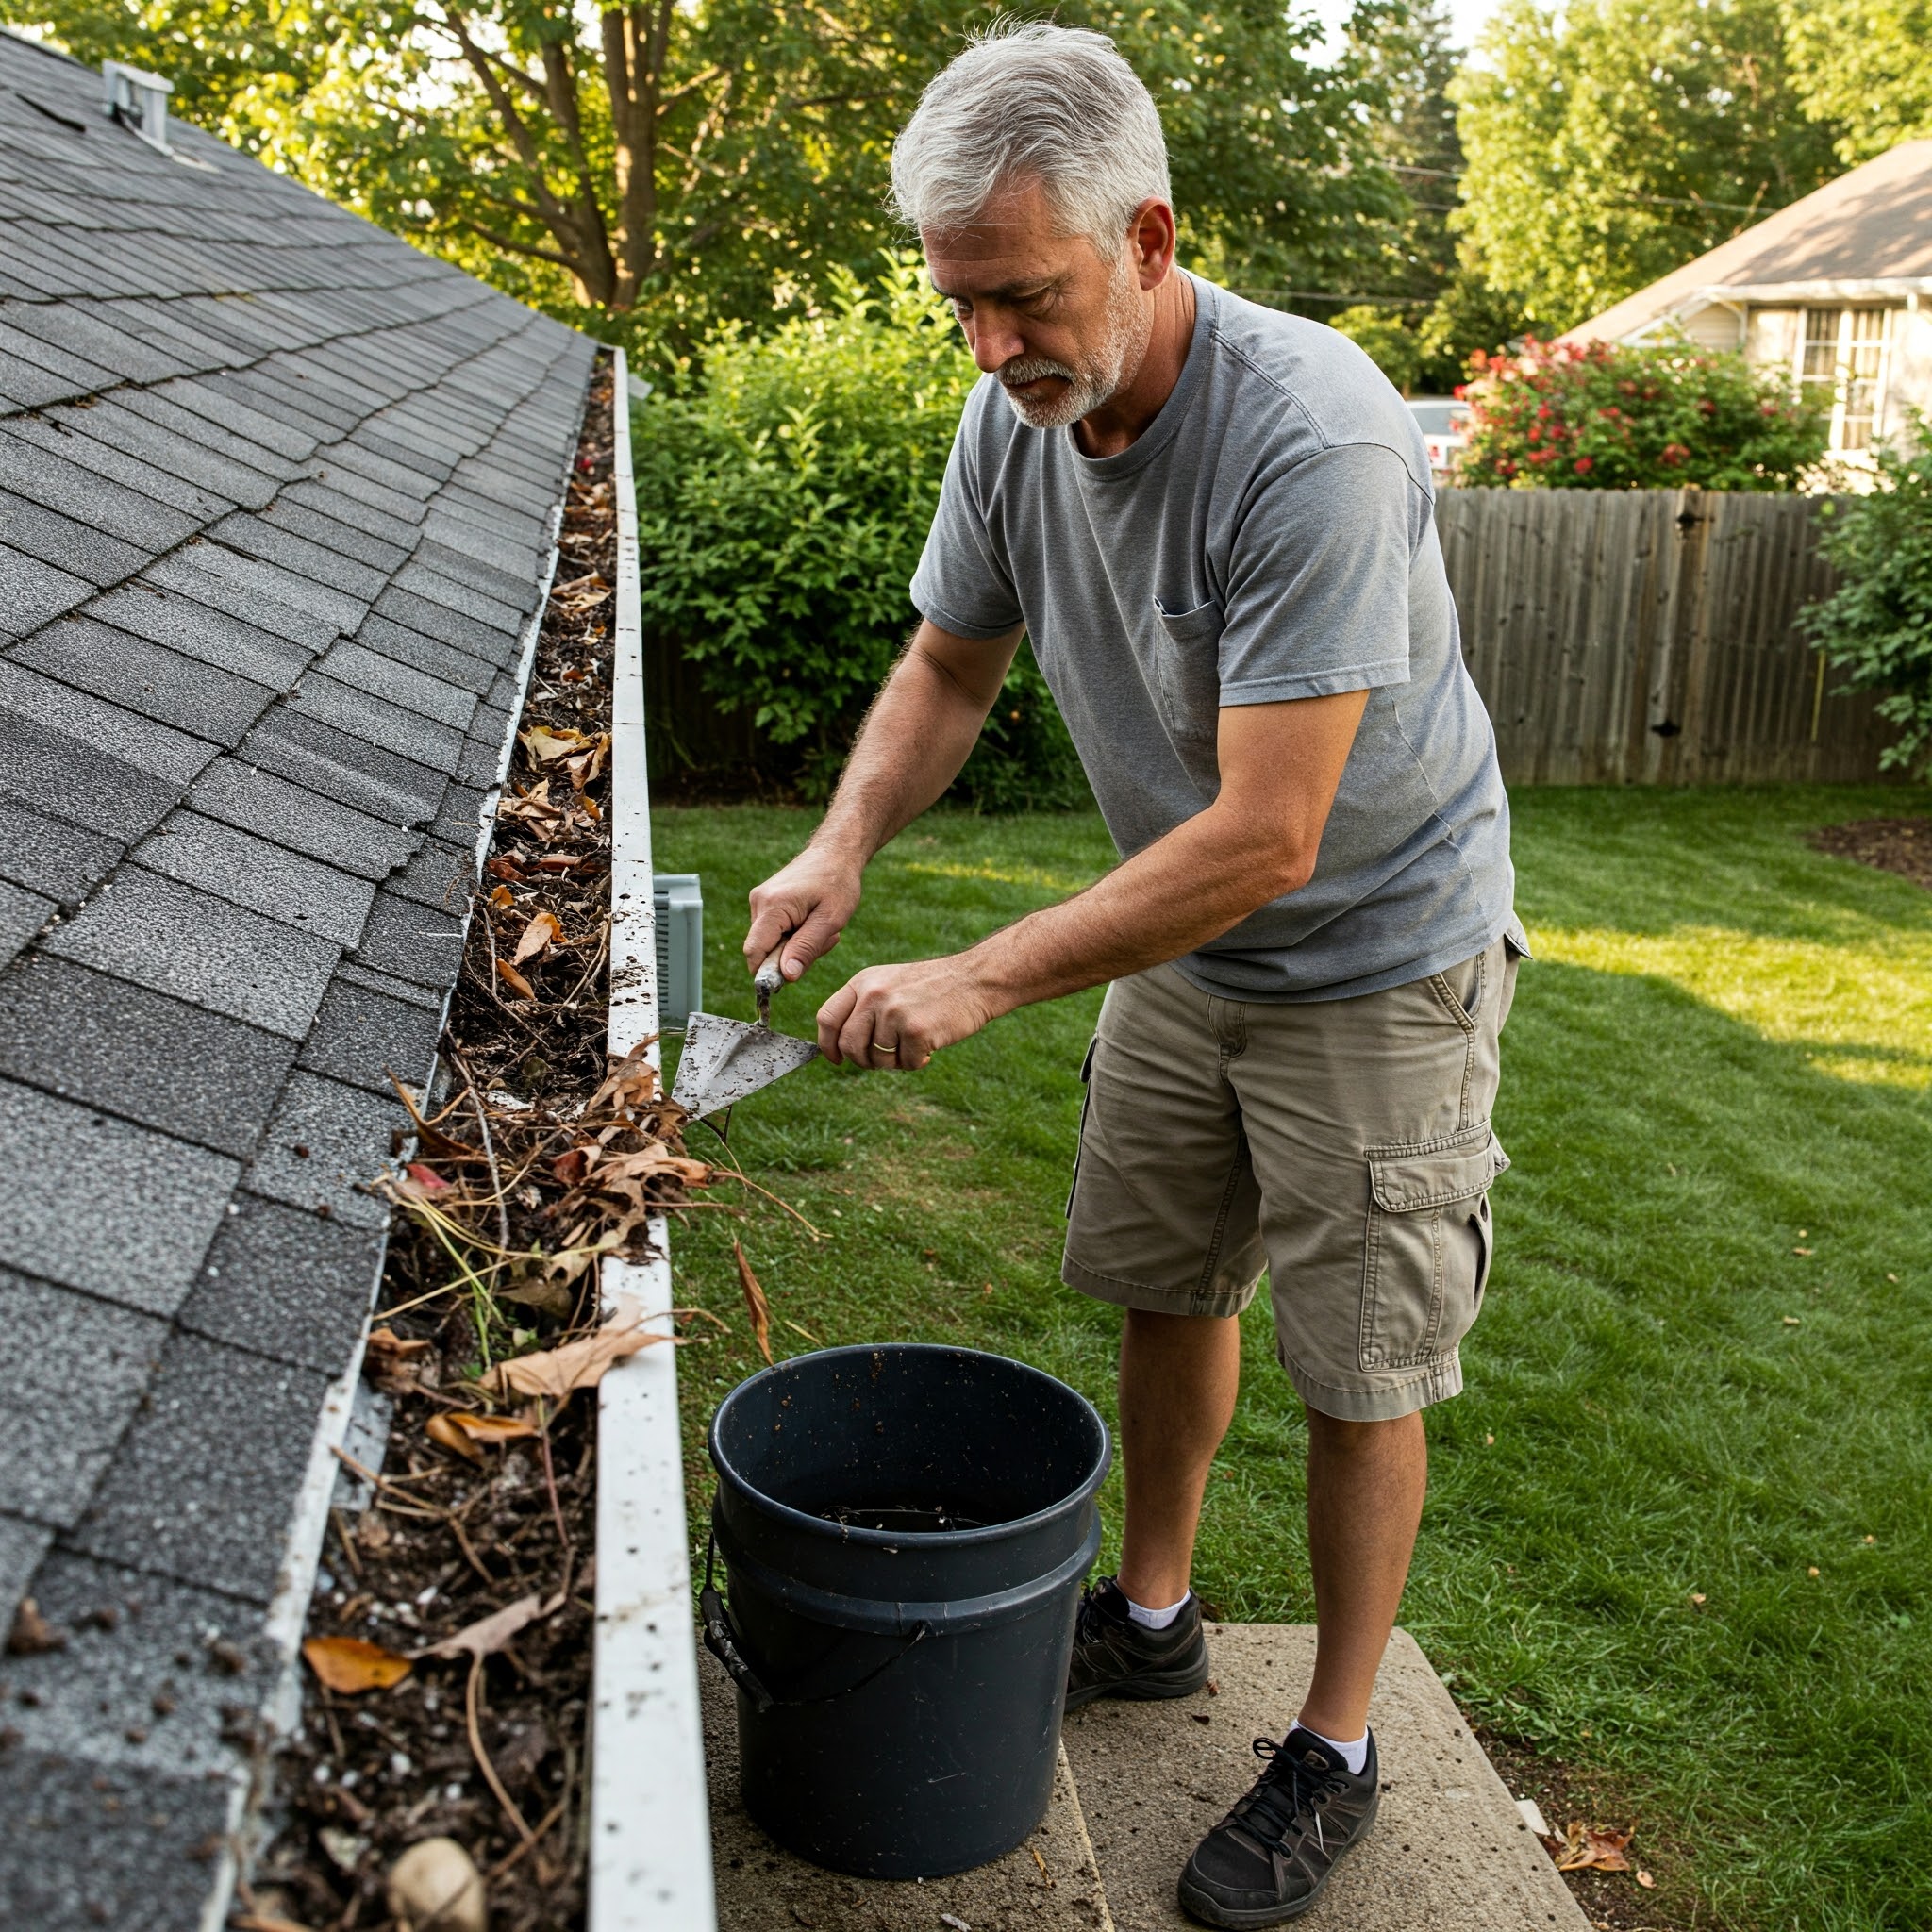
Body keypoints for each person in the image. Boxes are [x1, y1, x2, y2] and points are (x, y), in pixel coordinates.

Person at [742, 22, 1524, 1927]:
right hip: (1179, 936)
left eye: (1020, 295)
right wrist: (844, 844)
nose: (988, 342)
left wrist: (989, 973)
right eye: (960, 304)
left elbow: (1271, 833)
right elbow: (947, 665)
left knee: (1360, 1362)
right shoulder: (1010, 411)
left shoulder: (1314, 438)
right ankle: (1155, 1614)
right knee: (1166, 1284)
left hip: (1373, 952)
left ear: (1150, 235)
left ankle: (1334, 1741)